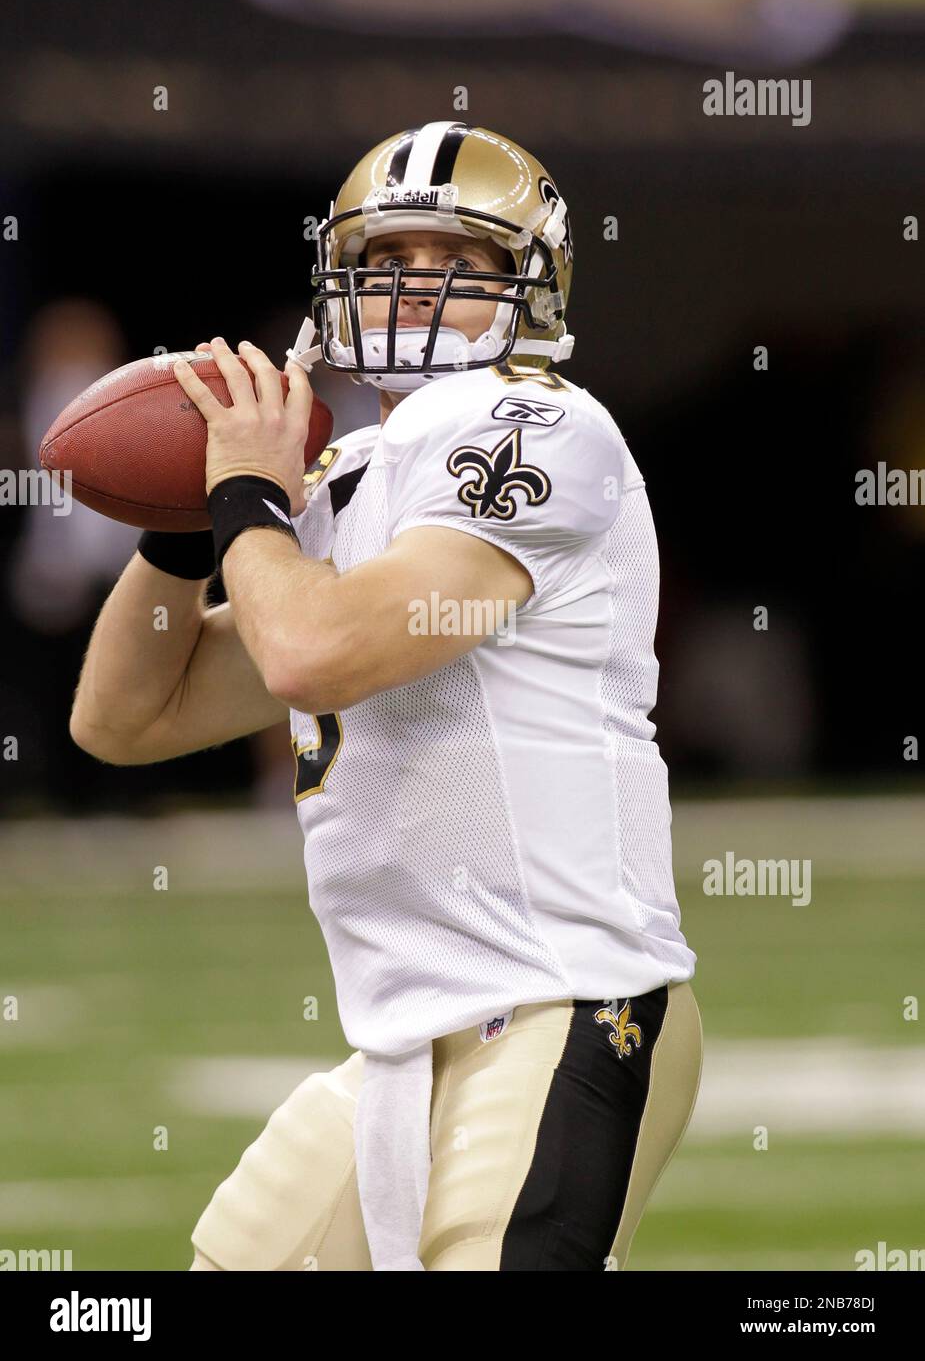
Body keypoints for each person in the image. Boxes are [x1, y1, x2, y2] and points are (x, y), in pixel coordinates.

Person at [70, 122, 702, 1271]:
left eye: (450, 255)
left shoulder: (545, 426)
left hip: (561, 1002)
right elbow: (124, 718)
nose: (412, 280)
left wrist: (250, 507)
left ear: (531, 283)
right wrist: (185, 522)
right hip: (400, 1038)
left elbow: (314, 652)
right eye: (386, 254)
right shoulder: (351, 476)